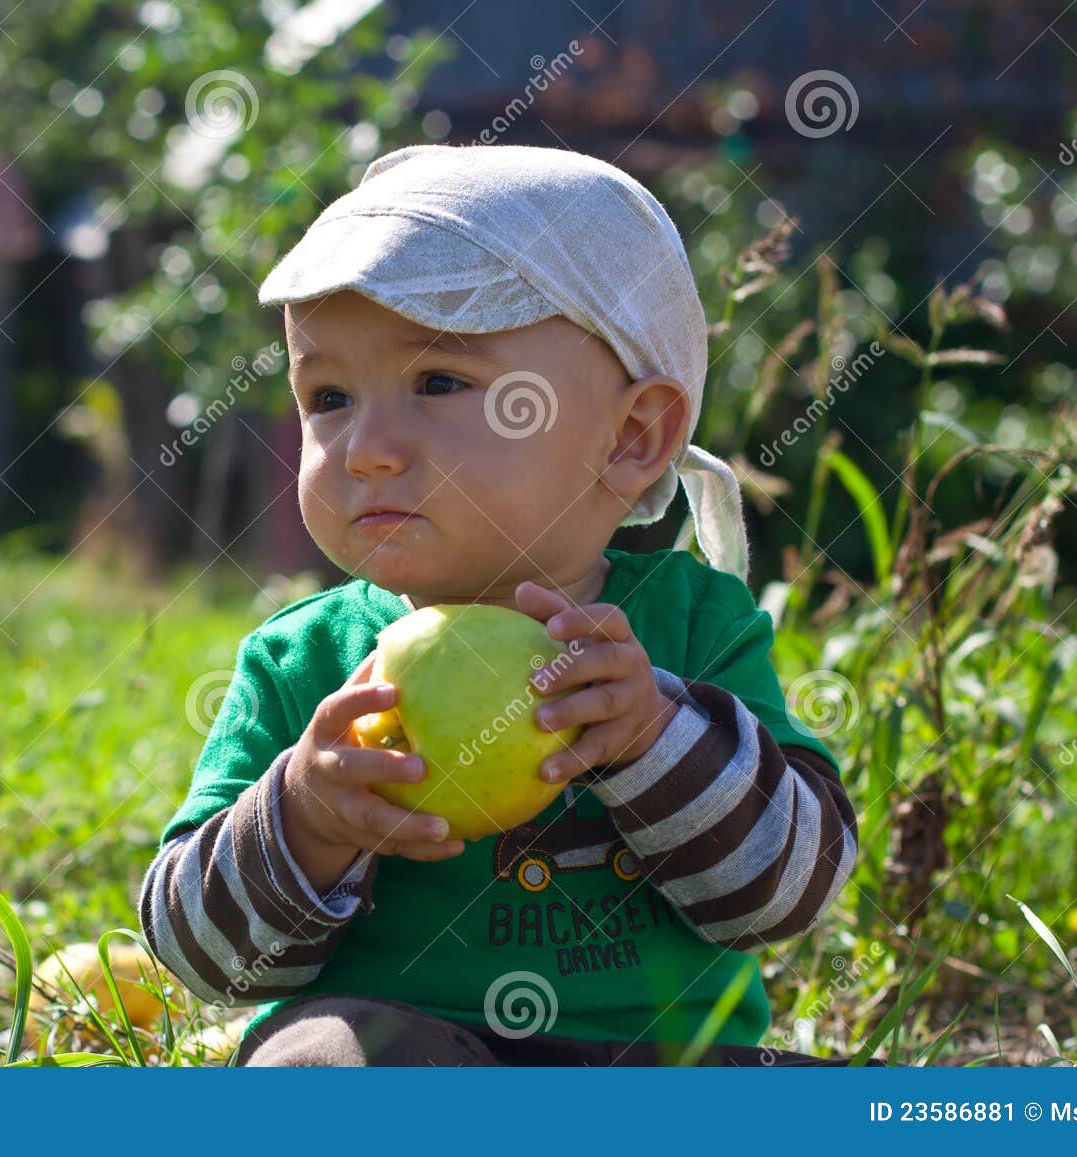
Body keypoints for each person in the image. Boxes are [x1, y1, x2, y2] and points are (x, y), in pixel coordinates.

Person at [138, 143, 866, 1066]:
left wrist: (656, 738)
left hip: (663, 1067)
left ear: (634, 435)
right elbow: (201, 959)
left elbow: (788, 894)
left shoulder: (693, 627)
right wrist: (306, 819)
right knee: (316, 1065)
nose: (364, 448)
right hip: (411, 1060)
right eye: (327, 396)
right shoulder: (309, 667)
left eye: (439, 382)